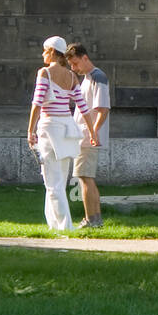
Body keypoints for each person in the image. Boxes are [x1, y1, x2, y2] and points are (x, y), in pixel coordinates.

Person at [27, 36, 97, 233]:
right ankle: (54, 224)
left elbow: (37, 103)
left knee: (52, 182)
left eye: (44, 50)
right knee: (57, 181)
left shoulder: (45, 73)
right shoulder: (72, 76)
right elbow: (83, 108)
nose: (42, 54)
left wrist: (30, 130)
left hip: (51, 128)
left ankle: (65, 226)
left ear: (51, 51)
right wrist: (92, 133)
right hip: (68, 129)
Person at [66, 43, 111, 229]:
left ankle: (91, 219)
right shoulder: (88, 78)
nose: (74, 68)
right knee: (86, 177)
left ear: (85, 57)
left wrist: (93, 132)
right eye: (71, 65)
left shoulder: (97, 77)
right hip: (85, 135)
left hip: (88, 136)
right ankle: (95, 219)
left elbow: (103, 108)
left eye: (76, 63)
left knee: (85, 177)